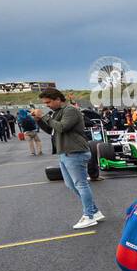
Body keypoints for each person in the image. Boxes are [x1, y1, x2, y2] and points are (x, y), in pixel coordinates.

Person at [33, 88, 104, 229]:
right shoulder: (58, 112)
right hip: (66, 153)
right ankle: (94, 211)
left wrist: (45, 117)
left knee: (81, 184)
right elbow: (52, 130)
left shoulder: (70, 110)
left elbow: (62, 127)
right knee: (71, 185)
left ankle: (89, 215)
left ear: (57, 99)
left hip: (75, 152)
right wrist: (39, 120)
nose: (47, 105)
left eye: (48, 102)